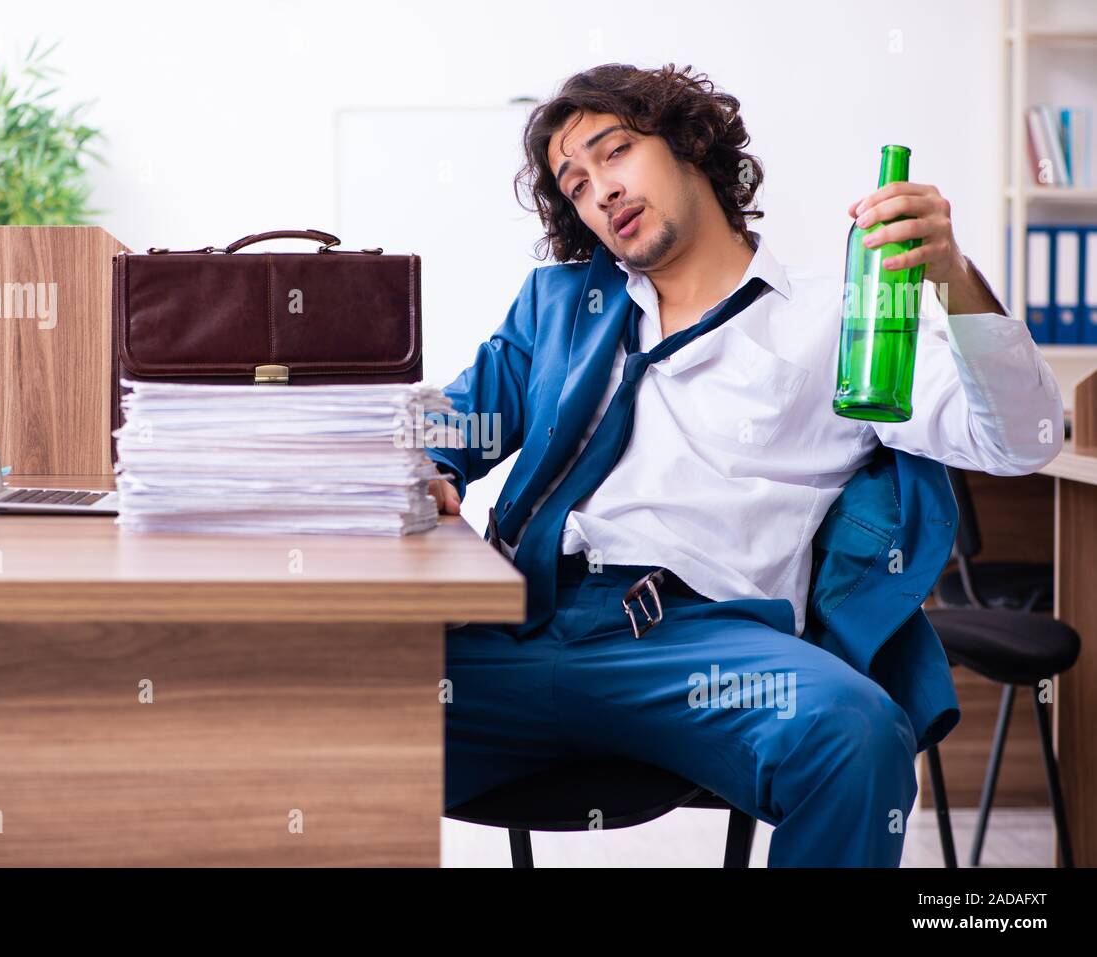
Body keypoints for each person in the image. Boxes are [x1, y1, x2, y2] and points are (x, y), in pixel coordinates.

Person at [425, 62, 1064, 867]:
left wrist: (955, 280)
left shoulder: (839, 318)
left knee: (854, 734)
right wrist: (426, 472)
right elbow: (445, 429)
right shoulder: (557, 308)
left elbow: (1022, 435)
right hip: (515, 631)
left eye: (615, 152)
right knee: (287, 696)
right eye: (576, 184)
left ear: (691, 142)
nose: (601, 192)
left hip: (700, 652)